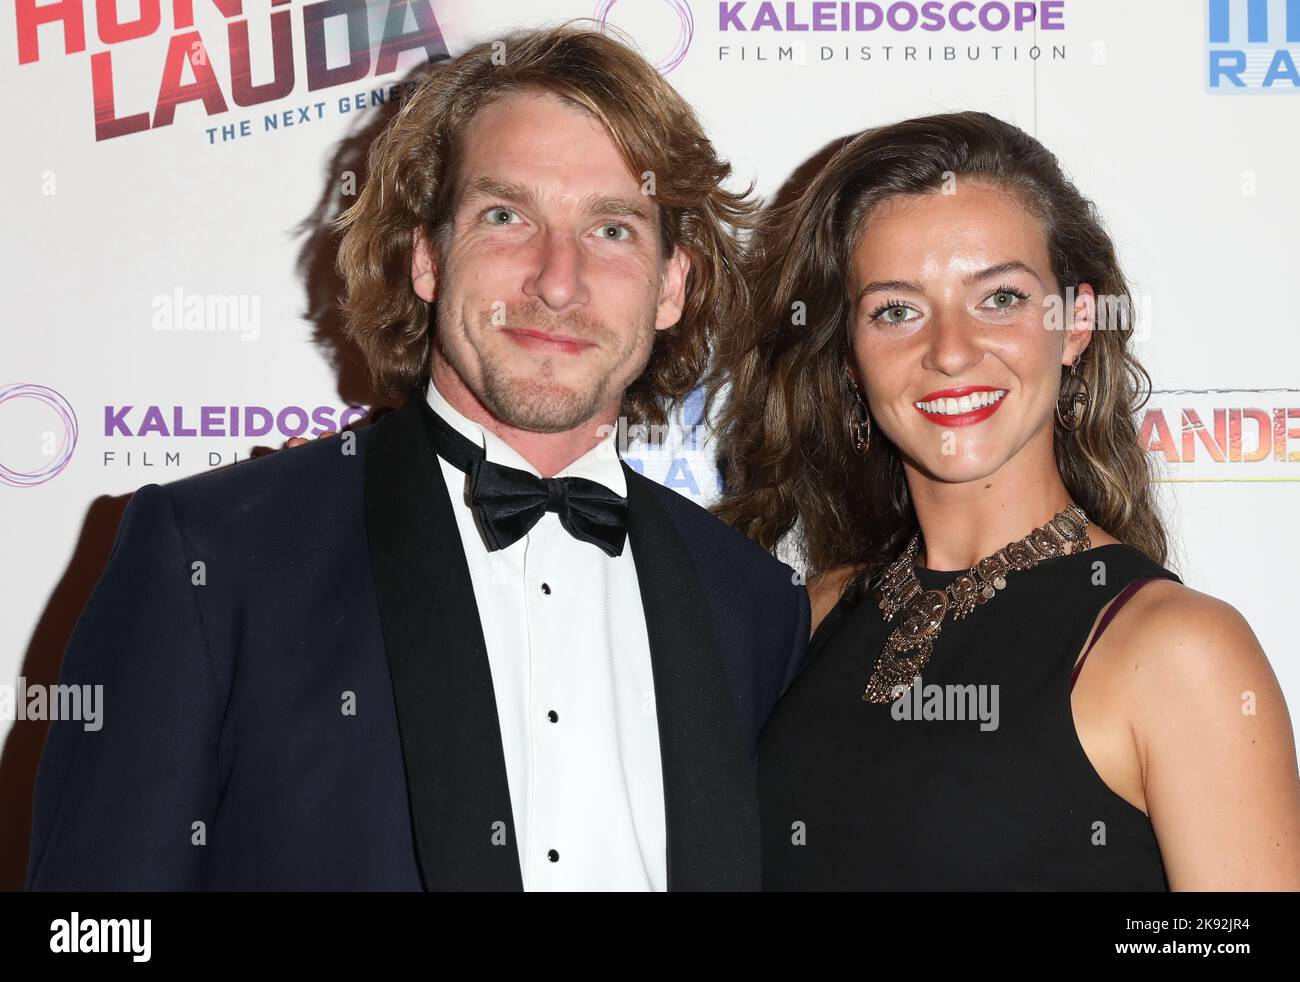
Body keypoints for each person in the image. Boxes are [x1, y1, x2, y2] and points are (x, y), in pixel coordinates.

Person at [25, 24, 809, 891]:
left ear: (672, 286)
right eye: (505, 216)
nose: (557, 280)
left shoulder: (755, 609)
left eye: (613, 229)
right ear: (428, 258)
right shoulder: (214, 558)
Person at [710, 111, 1300, 890]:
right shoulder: (811, 617)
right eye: (896, 310)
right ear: (850, 362)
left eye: (1000, 299)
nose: (950, 351)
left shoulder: (1177, 651)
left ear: (1076, 323)